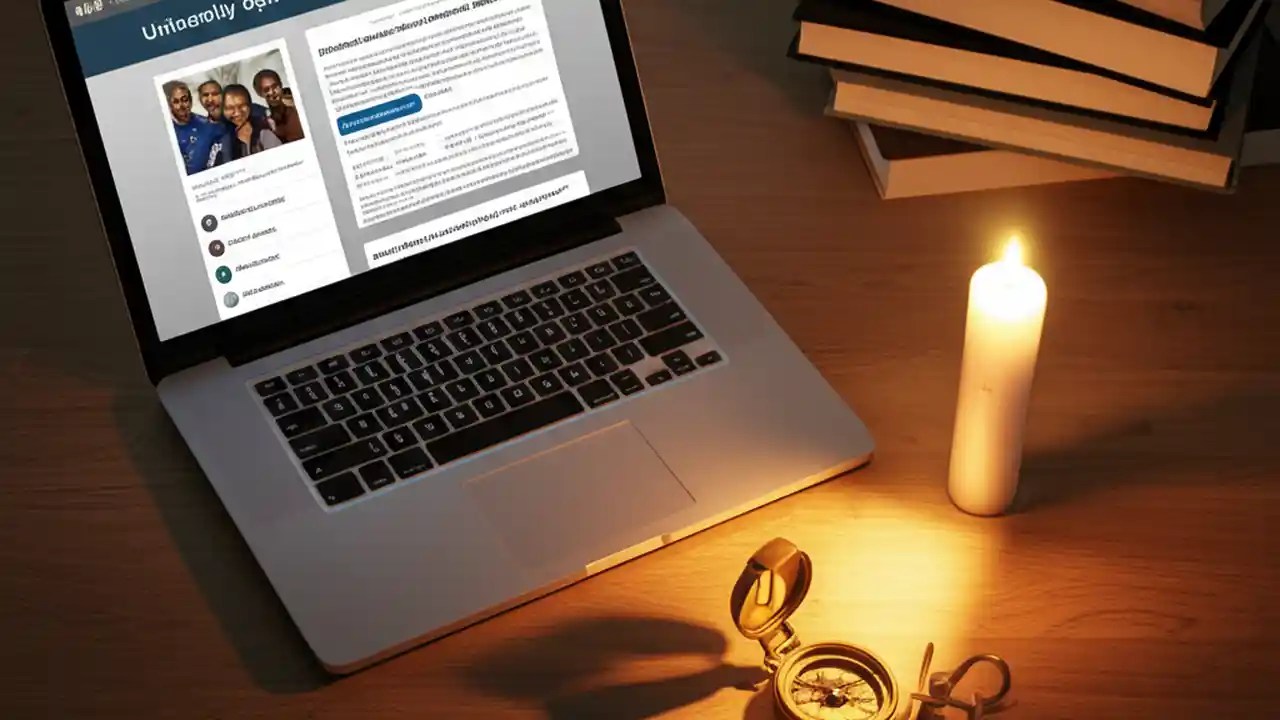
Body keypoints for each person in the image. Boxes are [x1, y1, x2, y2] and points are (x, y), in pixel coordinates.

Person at [165, 80, 229, 175]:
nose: (181, 106)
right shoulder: (166, 130)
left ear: (191, 101)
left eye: (184, 99)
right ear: (169, 105)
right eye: (176, 102)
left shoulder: (209, 126)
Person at [223, 84, 282, 158]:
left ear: (250, 105)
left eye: (242, 106)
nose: (237, 113)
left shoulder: (264, 130)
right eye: (230, 108)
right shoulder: (220, 138)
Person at [198, 79, 270, 135]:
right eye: (205, 95)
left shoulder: (251, 110)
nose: (210, 99)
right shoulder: (204, 127)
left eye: (215, 94)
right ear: (200, 99)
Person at [252, 69, 304, 143]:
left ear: (281, 85)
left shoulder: (297, 103)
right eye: (266, 90)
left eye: (275, 87)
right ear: (260, 93)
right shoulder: (266, 120)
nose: (272, 92)